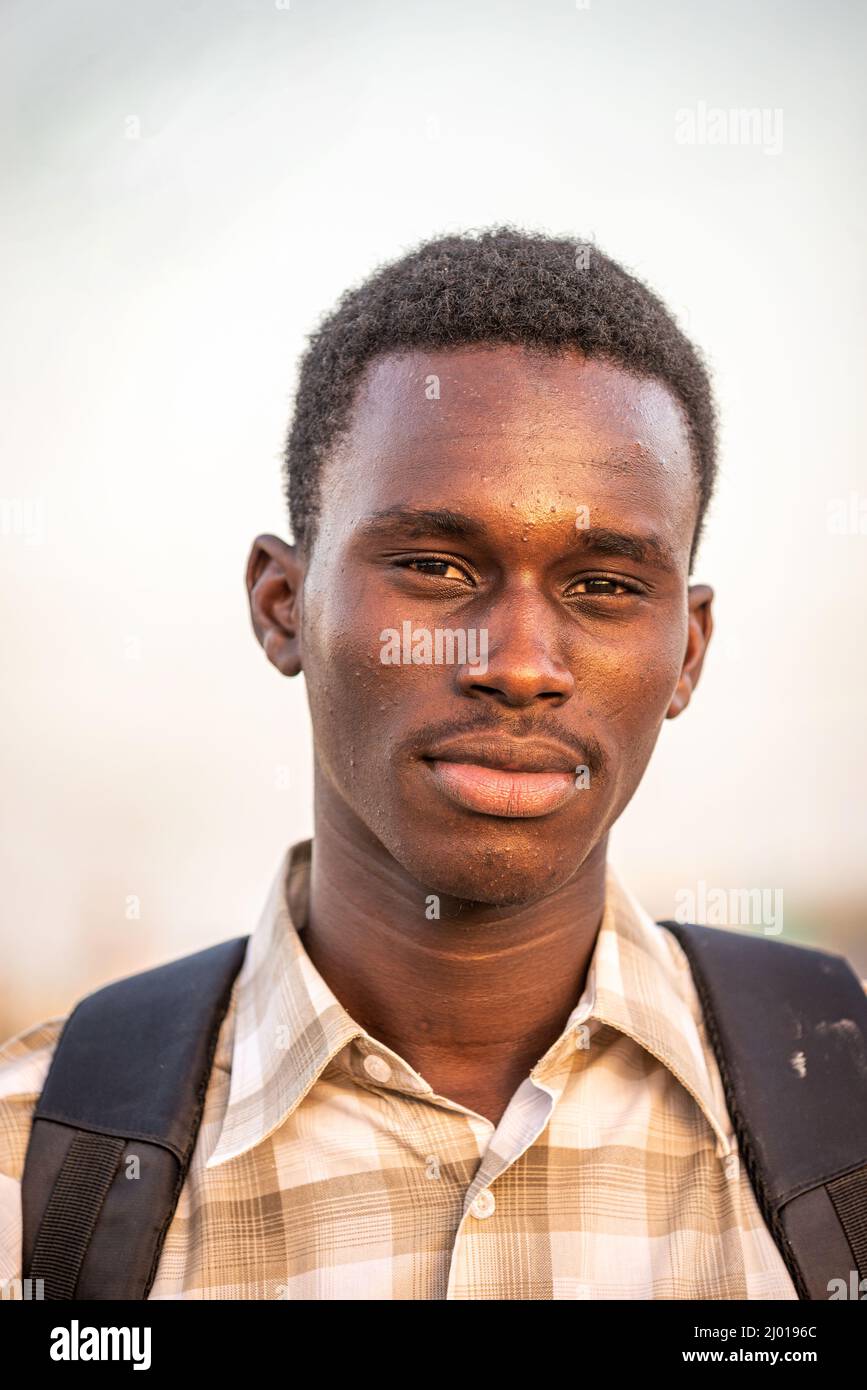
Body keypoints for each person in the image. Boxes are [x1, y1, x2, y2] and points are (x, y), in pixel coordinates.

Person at [0, 227, 814, 1298]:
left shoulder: (834, 1118)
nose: (519, 666)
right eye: (433, 565)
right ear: (282, 605)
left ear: (688, 651)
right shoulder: (33, 1180)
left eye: (605, 585)